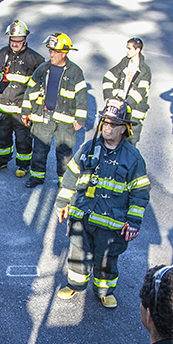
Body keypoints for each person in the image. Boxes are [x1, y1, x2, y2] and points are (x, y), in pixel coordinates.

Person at [54, 99, 149, 309]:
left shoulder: (133, 158)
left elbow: (140, 192)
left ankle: (104, 292)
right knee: (77, 253)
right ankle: (75, 285)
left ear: (124, 128)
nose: (107, 127)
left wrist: (133, 221)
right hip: (83, 216)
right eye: (105, 122)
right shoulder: (89, 147)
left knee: (106, 260)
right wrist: (63, 202)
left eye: (113, 124)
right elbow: (71, 174)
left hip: (111, 222)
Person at [21, 33, 87, 188]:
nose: (51, 54)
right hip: (43, 117)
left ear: (64, 53)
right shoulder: (43, 69)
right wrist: (26, 111)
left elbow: (82, 97)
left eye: (55, 51)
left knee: (64, 154)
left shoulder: (75, 72)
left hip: (64, 121)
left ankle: (64, 181)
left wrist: (80, 120)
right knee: (39, 151)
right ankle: (36, 177)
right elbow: (30, 89)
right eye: (50, 50)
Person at [0, 20, 43, 175]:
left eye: (18, 41)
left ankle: (23, 166)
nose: (15, 44)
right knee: (1, 136)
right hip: (2, 105)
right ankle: (2, 161)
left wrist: (34, 108)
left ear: (25, 40)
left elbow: (39, 86)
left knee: (23, 138)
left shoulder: (35, 59)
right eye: (12, 40)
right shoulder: (2, 53)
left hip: (21, 107)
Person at [101, 37, 152, 143]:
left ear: (137, 50)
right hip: (117, 112)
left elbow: (140, 93)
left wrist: (124, 105)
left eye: (129, 48)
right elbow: (108, 77)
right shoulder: (124, 64)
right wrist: (109, 98)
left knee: (129, 145)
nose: (127, 51)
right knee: (110, 141)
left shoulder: (145, 71)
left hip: (133, 115)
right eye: (127, 48)